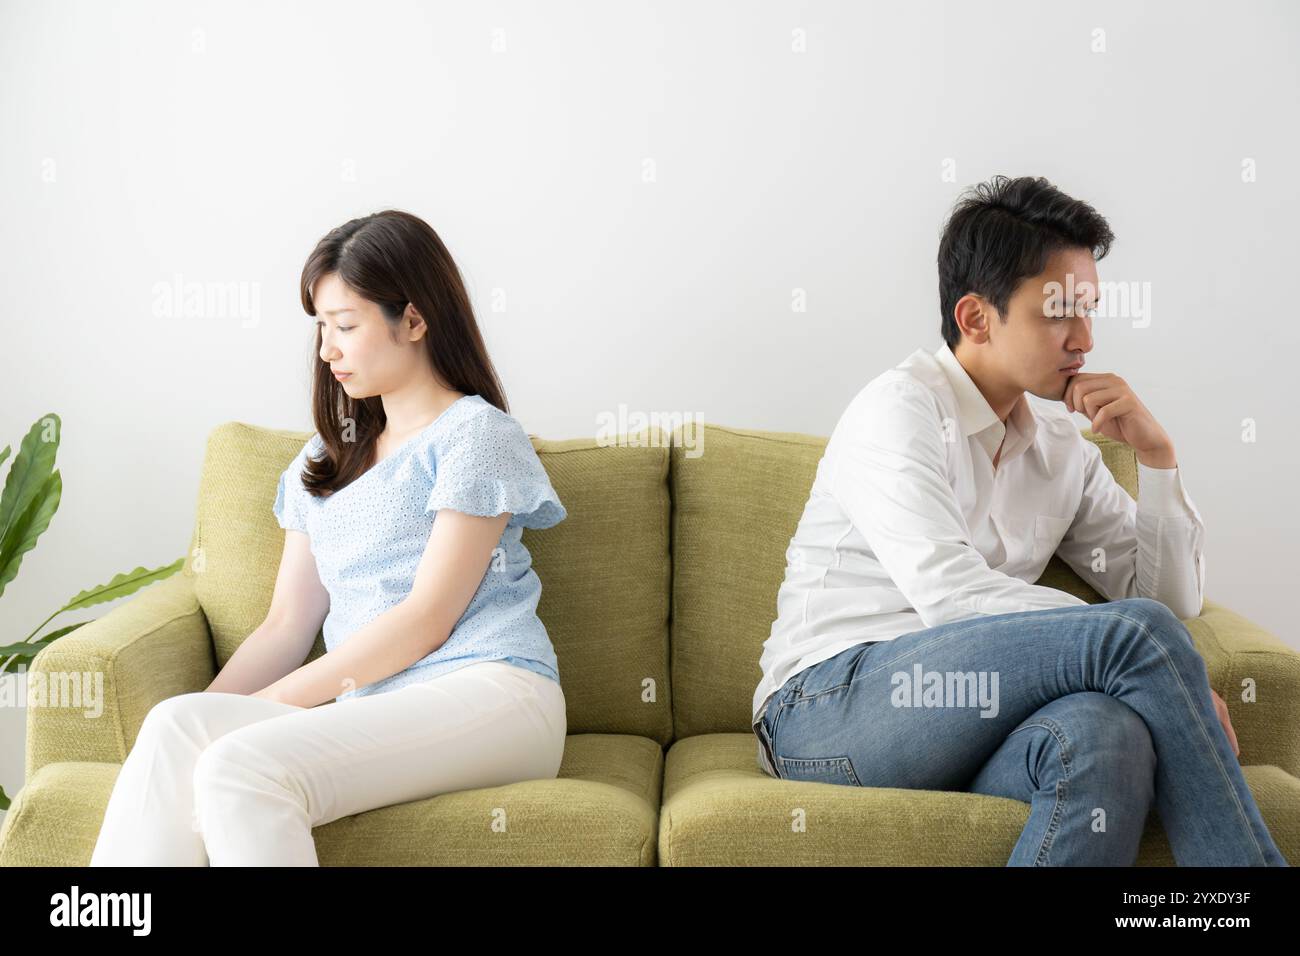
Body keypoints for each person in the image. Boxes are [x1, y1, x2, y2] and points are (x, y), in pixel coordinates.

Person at [752, 175, 1288, 866]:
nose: (1085, 339)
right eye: (1060, 312)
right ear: (977, 318)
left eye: (1091, 311)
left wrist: (1156, 459)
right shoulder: (900, 409)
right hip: (828, 710)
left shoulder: (1061, 447)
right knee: (1135, 639)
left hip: (969, 724)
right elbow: (953, 598)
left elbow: (1167, 604)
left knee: (1107, 735)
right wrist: (1138, 653)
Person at [90, 210, 568, 866]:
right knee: (178, 722)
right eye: (321, 328)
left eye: (345, 326)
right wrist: (208, 722)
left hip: (493, 691)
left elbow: (427, 618)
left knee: (238, 767)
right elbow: (286, 626)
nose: (327, 350)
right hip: (376, 703)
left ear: (415, 319)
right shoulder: (324, 460)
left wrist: (268, 707)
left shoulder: (476, 437)